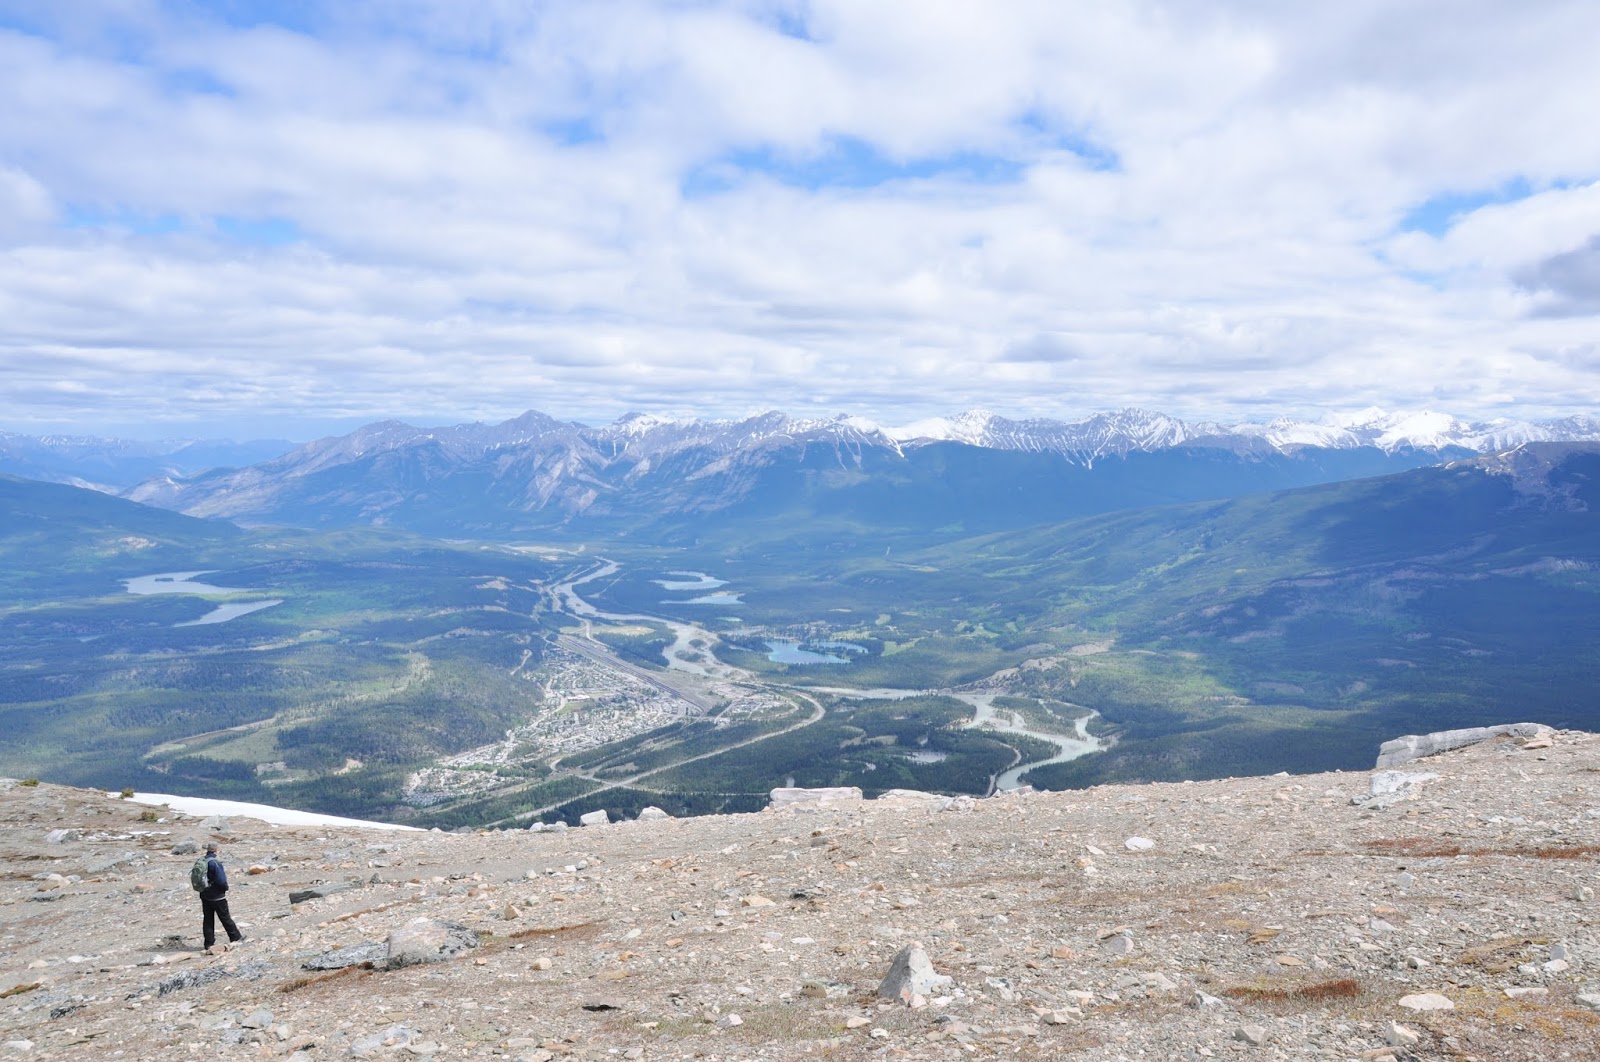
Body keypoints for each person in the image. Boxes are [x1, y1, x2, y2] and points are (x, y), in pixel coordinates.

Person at [198, 842, 245, 953]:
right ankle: (236, 938)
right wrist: (225, 888)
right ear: (216, 850)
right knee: (225, 917)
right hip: (217, 896)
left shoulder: (201, 861)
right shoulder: (215, 863)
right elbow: (221, 880)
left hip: (204, 895)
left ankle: (208, 943)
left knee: (208, 919)